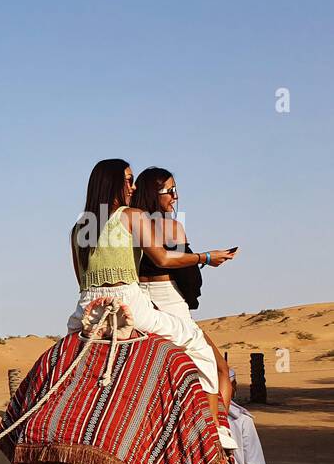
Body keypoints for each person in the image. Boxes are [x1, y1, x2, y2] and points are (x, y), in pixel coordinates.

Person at [66, 159, 237, 448]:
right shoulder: (132, 216)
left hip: (86, 311)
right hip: (129, 306)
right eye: (128, 180)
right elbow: (163, 259)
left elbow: (80, 278)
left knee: (64, 362)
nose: (133, 187)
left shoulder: (77, 228)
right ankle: (216, 432)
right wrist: (206, 257)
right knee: (198, 345)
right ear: (113, 183)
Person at [131, 167, 235, 403]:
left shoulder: (129, 226)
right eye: (170, 191)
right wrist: (204, 259)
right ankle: (218, 433)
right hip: (170, 302)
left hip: (138, 303)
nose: (175, 197)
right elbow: (188, 277)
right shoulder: (171, 226)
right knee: (218, 371)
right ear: (153, 193)